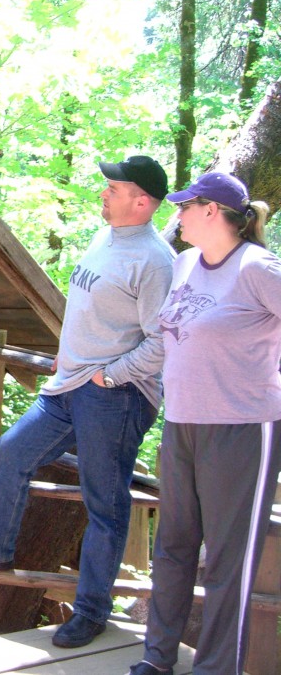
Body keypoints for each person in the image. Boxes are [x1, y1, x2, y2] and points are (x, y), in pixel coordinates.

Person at [0, 155, 175, 648]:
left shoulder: (156, 262)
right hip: (69, 385)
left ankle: (91, 612)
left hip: (115, 397)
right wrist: (68, 358)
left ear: (142, 202)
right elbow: (91, 312)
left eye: (114, 188)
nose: (105, 193)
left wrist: (109, 378)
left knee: (105, 506)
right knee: (12, 452)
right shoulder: (104, 236)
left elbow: (162, 342)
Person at [130, 173, 281, 675]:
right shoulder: (185, 263)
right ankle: (157, 660)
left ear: (211, 211)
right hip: (182, 425)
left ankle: (216, 670)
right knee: (172, 546)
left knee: (227, 561)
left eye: (185, 207)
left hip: (241, 429)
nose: (177, 216)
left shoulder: (258, 267)